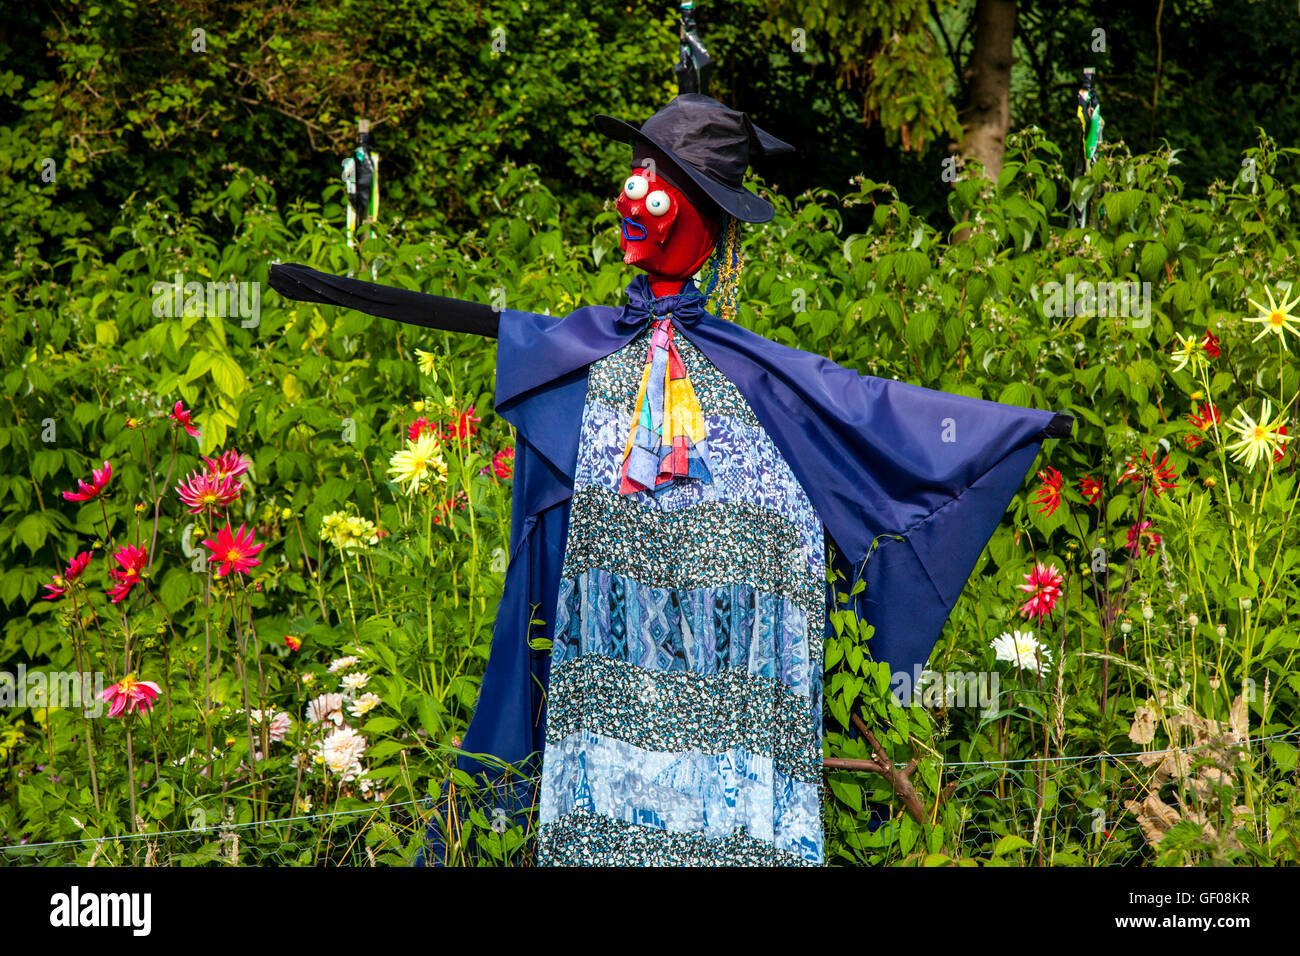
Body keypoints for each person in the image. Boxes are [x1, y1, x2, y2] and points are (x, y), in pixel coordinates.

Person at [270, 93, 1073, 866]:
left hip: (735, 722)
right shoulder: (580, 357)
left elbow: (866, 411)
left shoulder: (759, 378)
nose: (635, 196)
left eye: (661, 184)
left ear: (708, 219)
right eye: (636, 173)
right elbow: (522, 364)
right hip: (603, 719)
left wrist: (1006, 430)